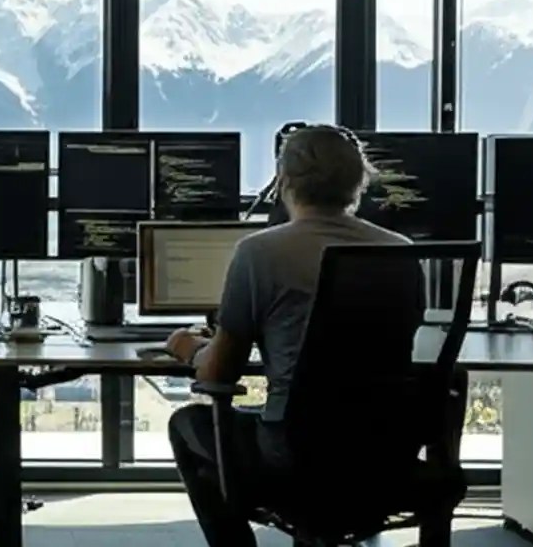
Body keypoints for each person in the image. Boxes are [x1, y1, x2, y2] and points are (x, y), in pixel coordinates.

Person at [163, 124, 410, 546]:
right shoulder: (401, 252)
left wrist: (188, 348)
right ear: (359, 182)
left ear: (284, 182)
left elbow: (222, 369)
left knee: (187, 422)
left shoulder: (261, 252)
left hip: (292, 455)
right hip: (383, 454)